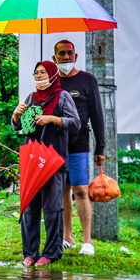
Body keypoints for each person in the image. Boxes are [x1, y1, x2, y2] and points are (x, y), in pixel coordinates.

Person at [12, 61, 80, 266]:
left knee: (52, 207)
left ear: (52, 74)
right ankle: (30, 252)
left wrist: (53, 119)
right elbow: (19, 127)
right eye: (36, 73)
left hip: (53, 160)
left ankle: (51, 252)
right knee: (29, 206)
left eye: (43, 72)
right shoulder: (31, 98)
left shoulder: (62, 96)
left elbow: (76, 123)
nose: (39, 76)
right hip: (31, 159)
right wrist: (16, 116)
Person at [53, 40, 105, 256]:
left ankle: (87, 241)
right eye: (61, 54)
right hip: (55, 144)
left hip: (79, 143)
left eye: (69, 53)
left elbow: (97, 114)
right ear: (55, 58)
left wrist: (100, 147)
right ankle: (67, 237)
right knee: (62, 191)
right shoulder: (51, 82)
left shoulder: (87, 80)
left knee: (81, 190)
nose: (66, 57)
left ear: (75, 56)